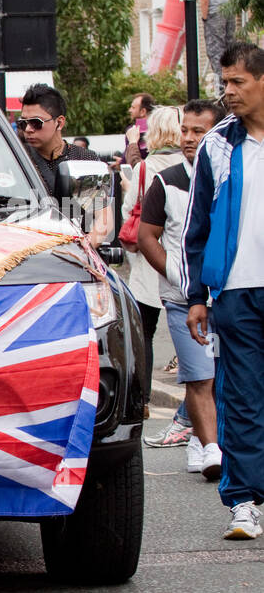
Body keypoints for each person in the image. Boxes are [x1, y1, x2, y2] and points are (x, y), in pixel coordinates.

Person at [182, 42, 264, 540]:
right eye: (225, 82)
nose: (227, 92)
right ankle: (245, 503)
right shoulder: (217, 144)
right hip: (235, 293)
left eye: (238, 82)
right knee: (244, 400)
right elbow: (198, 225)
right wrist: (196, 295)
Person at [137, 99, 226, 479]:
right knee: (200, 375)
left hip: (227, 296)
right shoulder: (166, 180)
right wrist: (177, 274)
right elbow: (147, 236)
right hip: (181, 299)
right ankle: (210, 449)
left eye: (198, 131)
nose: (188, 139)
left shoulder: (229, 175)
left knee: (224, 376)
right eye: (184, 130)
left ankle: (202, 440)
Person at [121, 106, 183, 415]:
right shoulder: (192, 165)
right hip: (183, 256)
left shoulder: (147, 168)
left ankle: (143, 398)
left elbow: (128, 211)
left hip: (148, 259)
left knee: (144, 329)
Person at [199, 0, 237, 94]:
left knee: (215, 51)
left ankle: (221, 89)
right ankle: (232, 82)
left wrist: (204, 17)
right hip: (229, 12)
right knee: (229, 48)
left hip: (214, 14)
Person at [124, 93, 155, 166]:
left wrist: (122, 162)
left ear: (143, 112)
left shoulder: (132, 131)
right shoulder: (158, 129)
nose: (130, 110)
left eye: (133, 107)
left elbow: (130, 157)